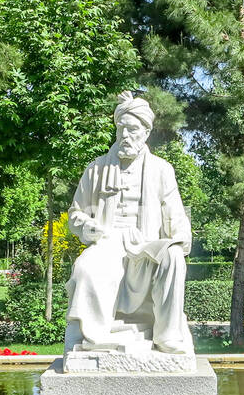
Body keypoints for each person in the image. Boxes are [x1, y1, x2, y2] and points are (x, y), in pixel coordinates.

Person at [64, 91, 194, 356]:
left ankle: (167, 336)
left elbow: (175, 214)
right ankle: (96, 339)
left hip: (145, 243)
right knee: (86, 267)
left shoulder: (161, 170)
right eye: (121, 128)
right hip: (108, 243)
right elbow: (75, 214)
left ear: (146, 132)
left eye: (132, 129)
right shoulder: (96, 169)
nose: (125, 135)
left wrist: (179, 241)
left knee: (173, 257)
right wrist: (88, 227)